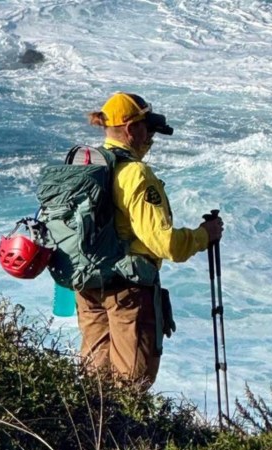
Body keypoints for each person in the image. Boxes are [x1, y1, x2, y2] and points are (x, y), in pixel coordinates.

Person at [78, 92, 223, 388]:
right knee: (131, 384)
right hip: (127, 292)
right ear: (131, 129)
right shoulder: (136, 174)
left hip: (87, 285)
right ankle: (124, 435)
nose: (151, 138)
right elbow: (164, 243)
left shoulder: (88, 166)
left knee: (94, 383)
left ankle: (89, 433)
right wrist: (203, 236)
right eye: (148, 129)